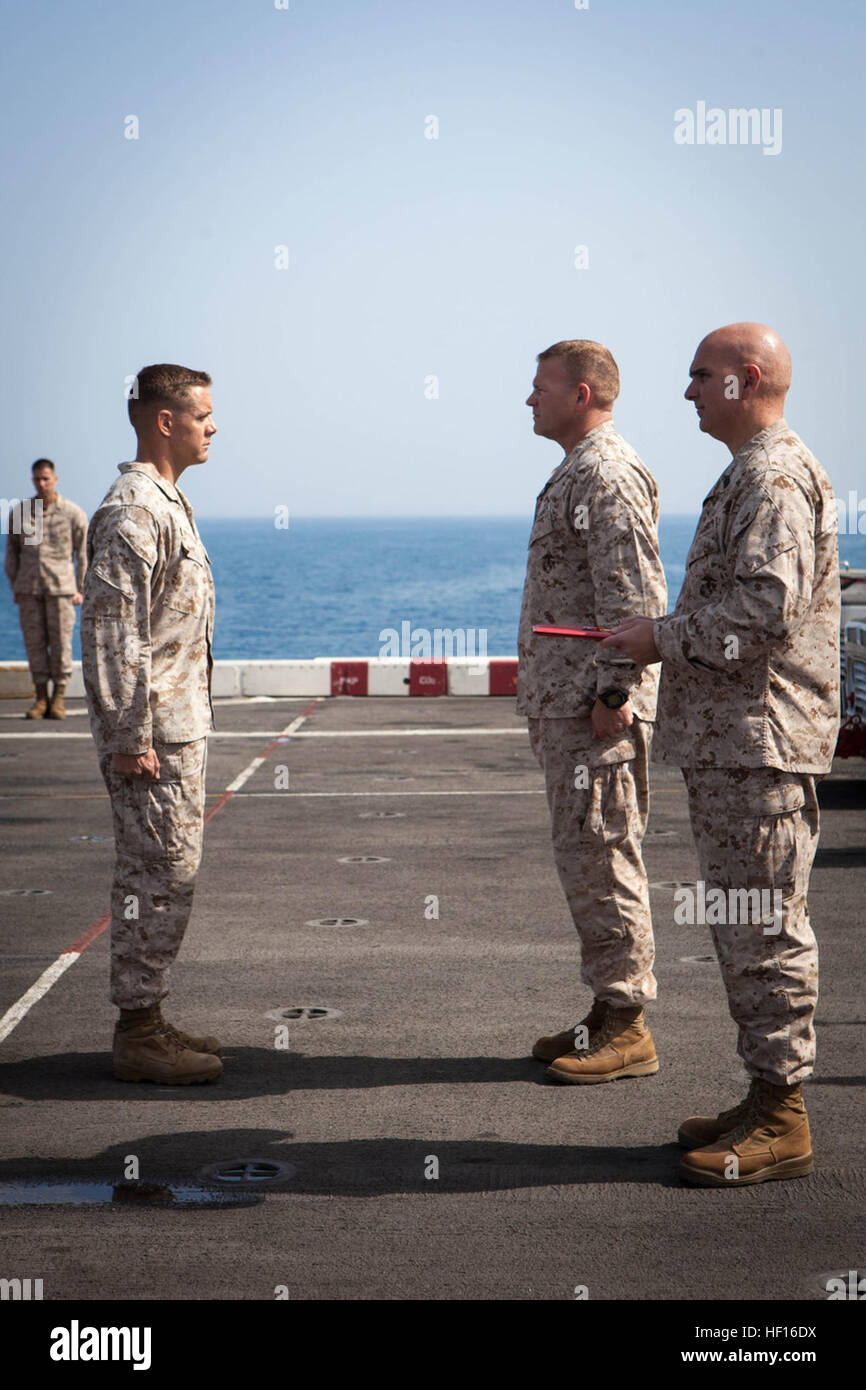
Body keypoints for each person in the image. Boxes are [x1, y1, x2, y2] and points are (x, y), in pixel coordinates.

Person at [602, 323, 840, 1185]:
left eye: (702, 375)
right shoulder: (753, 471)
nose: (689, 390)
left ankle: (783, 1117)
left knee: (766, 929)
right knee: (744, 925)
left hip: (761, 748)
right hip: (736, 747)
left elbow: (763, 614)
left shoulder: (773, 475)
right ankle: (764, 1094)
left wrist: (655, 639)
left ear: (747, 380)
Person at [517, 340, 668, 1083]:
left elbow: (636, 601)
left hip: (595, 712)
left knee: (607, 857)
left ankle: (629, 1025)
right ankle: (609, 1011)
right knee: (587, 859)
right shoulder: (577, 471)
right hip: (571, 709)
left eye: (540, 387)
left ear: (581, 394)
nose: (528, 399)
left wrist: (614, 693)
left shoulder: (605, 473)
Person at [81, 364, 221, 1085]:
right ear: (164, 421)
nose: (213, 426)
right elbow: (112, 633)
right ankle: (137, 1031)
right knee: (153, 876)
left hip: (176, 731)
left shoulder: (167, 502)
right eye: (202, 414)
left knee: (171, 875)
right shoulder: (134, 510)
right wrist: (130, 738)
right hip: (153, 740)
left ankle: (150, 1015)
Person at [5, 459, 87, 719]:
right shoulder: (20, 513)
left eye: (46, 478)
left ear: (55, 479)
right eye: (37, 479)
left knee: (62, 645)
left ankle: (58, 698)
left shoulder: (73, 514)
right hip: (29, 590)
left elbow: (84, 554)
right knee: (35, 645)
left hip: (61, 590)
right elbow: (11, 554)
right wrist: (15, 584)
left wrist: (80, 588)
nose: (41, 484)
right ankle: (40, 699)